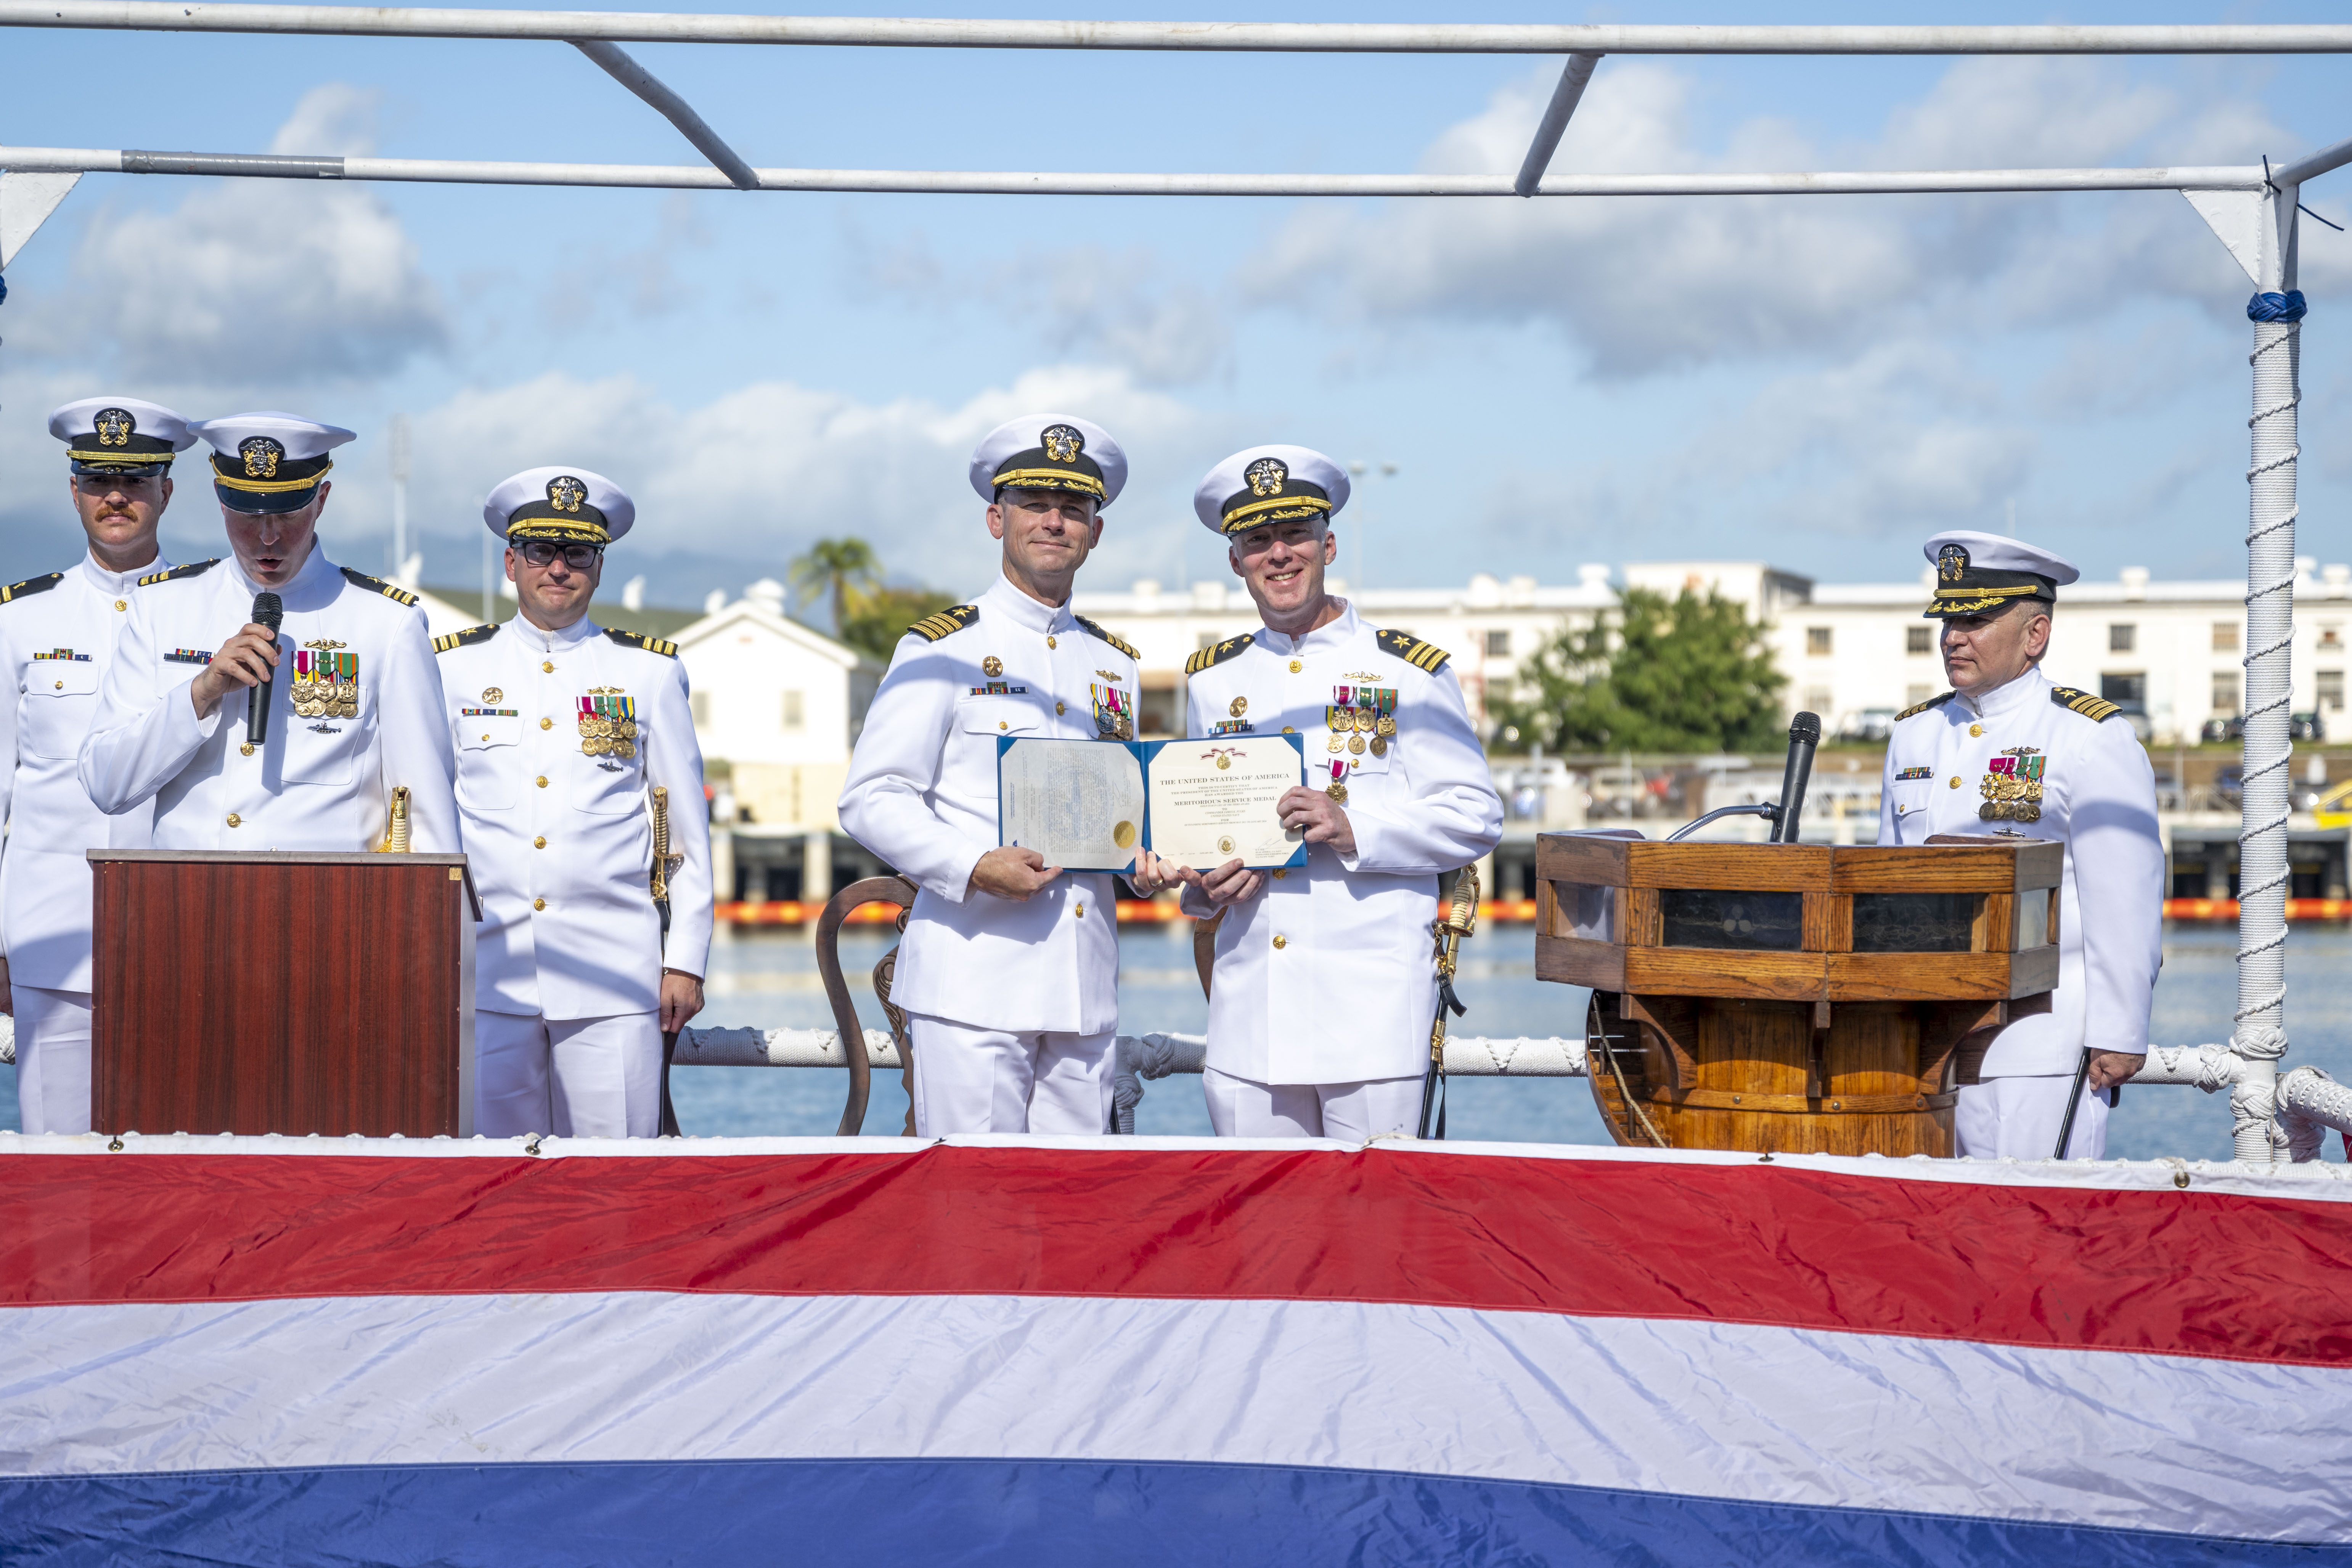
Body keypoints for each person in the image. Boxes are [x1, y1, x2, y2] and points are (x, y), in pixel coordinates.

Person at [1174, 445, 1502, 1140]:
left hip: (1372, 1021)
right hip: (1249, 1018)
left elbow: (1475, 816)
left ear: (1327, 545)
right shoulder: (1209, 681)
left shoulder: (1406, 670)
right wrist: (1202, 883)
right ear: (1235, 560)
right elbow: (1201, 841)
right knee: (1259, 1237)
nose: (1279, 554)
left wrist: (1353, 826)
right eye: (1257, 540)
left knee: (1376, 1234)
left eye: (1294, 535)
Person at [837, 414, 1142, 1135]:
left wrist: (1145, 861)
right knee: (972, 1217)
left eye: (1074, 510)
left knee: (1077, 1221)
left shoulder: (1114, 664)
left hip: (1082, 992)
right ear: (995, 518)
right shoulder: (942, 647)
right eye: (1036, 505)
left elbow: (1119, 813)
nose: (1055, 523)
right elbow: (871, 796)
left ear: (1095, 533)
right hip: (974, 985)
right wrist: (972, 864)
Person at [432, 467, 712, 1138]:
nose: (558, 568)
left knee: (615, 1188)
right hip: (486, 977)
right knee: (492, 1183)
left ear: (598, 566)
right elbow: (424, 819)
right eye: (540, 552)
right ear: (511, 562)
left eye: (576, 553)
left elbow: (687, 836)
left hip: (612, 977)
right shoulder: (450, 668)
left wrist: (686, 960)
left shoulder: (648, 671)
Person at [1877, 530, 2163, 1159]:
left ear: (2035, 634)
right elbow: (1888, 886)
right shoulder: (1913, 736)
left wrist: (2118, 1032)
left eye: (1974, 619)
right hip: (1919, 1046)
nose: (1953, 635)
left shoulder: (2086, 738)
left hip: (2038, 1049)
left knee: (2025, 1234)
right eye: (1949, 618)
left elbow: (2124, 898)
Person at [80, 412, 458, 854]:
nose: (268, 538)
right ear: (221, 501)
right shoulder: (163, 609)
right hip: (186, 906)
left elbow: (425, 810)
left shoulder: (386, 623)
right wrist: (200, 694)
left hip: (329, 908)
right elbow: (106, 783)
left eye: (287, 514)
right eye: (247, 514)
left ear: (321, 500)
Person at [0, 399, 194, 1134]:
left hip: (182, 944)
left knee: (178, 1174)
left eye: (137, 480)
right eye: (98, 479)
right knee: (55, 1171)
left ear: (167, 492)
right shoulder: (18, 621)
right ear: (74, 490)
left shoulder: (208, 614)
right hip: (52, 937)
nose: (116, 497)